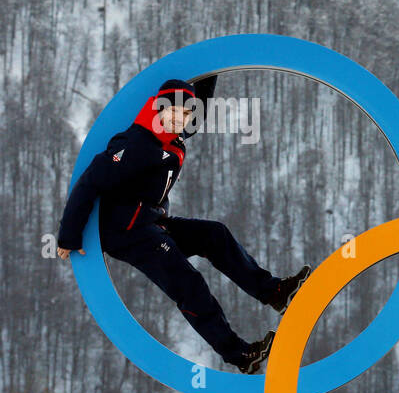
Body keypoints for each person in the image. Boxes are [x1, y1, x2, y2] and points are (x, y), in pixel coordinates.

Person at [56, 78, 311, 374]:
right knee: (189, 283)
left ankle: (275, 293)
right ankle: (239, 354)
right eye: (173, 112)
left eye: (185, 114)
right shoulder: (136, 143)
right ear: (157, 108)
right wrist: (69, 236)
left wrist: (211, 69)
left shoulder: (173, 133)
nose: (179, 119)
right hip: (126, 232)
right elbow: (89, 183)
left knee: (214, 235)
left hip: (152, 223)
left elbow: (196, 111)